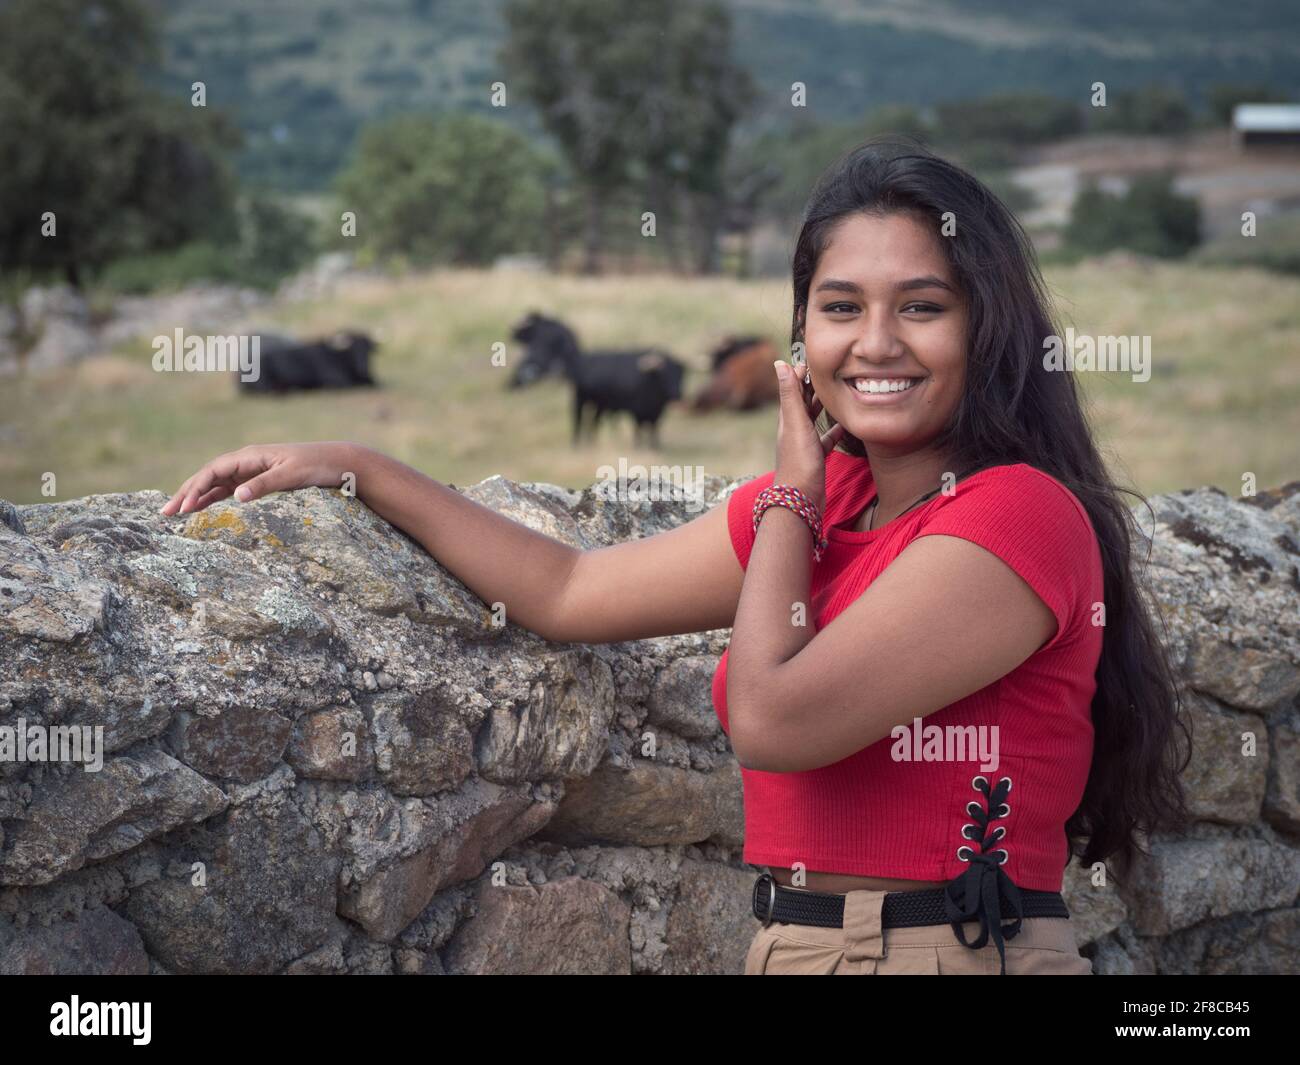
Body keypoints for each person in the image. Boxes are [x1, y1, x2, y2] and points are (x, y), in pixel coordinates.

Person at [158, 136, 1191, 976]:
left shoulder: (1016, 517)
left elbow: (773, 721)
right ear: (800, 334)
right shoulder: (825, 508)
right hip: (798, 945)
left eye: (921, 307)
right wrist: (359, 466)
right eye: (840, 308)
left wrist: (785, 489)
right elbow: (566, 588)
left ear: (989, 329)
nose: (875, 342)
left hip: (949, 951)